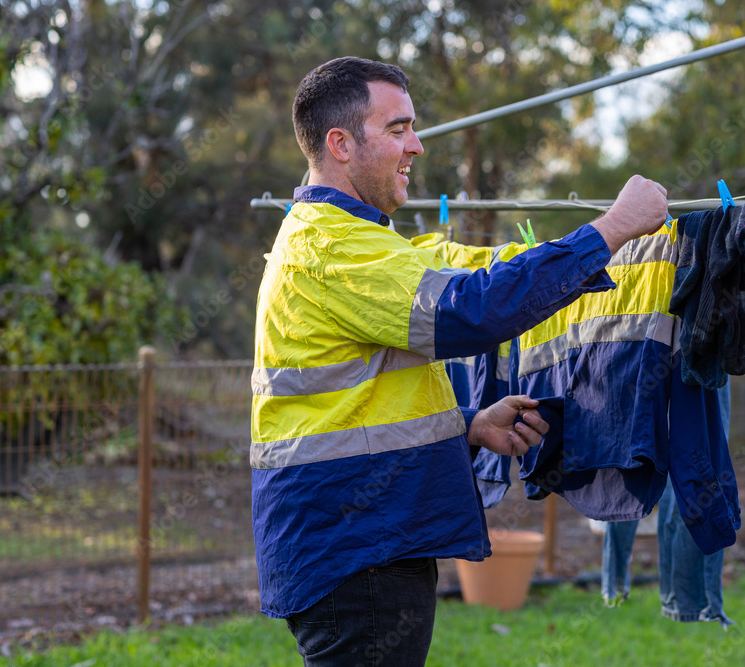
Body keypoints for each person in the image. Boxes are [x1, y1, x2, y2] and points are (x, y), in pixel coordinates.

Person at [250, 56, 669, 666]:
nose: (416, 146)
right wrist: (609, 230)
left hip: (355, 537)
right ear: (339, 144)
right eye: (397, 129)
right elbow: (471, 311)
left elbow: (353, 397)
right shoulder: (329, 247)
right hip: (357, 543)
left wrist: (467, 423)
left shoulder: (346, 239)